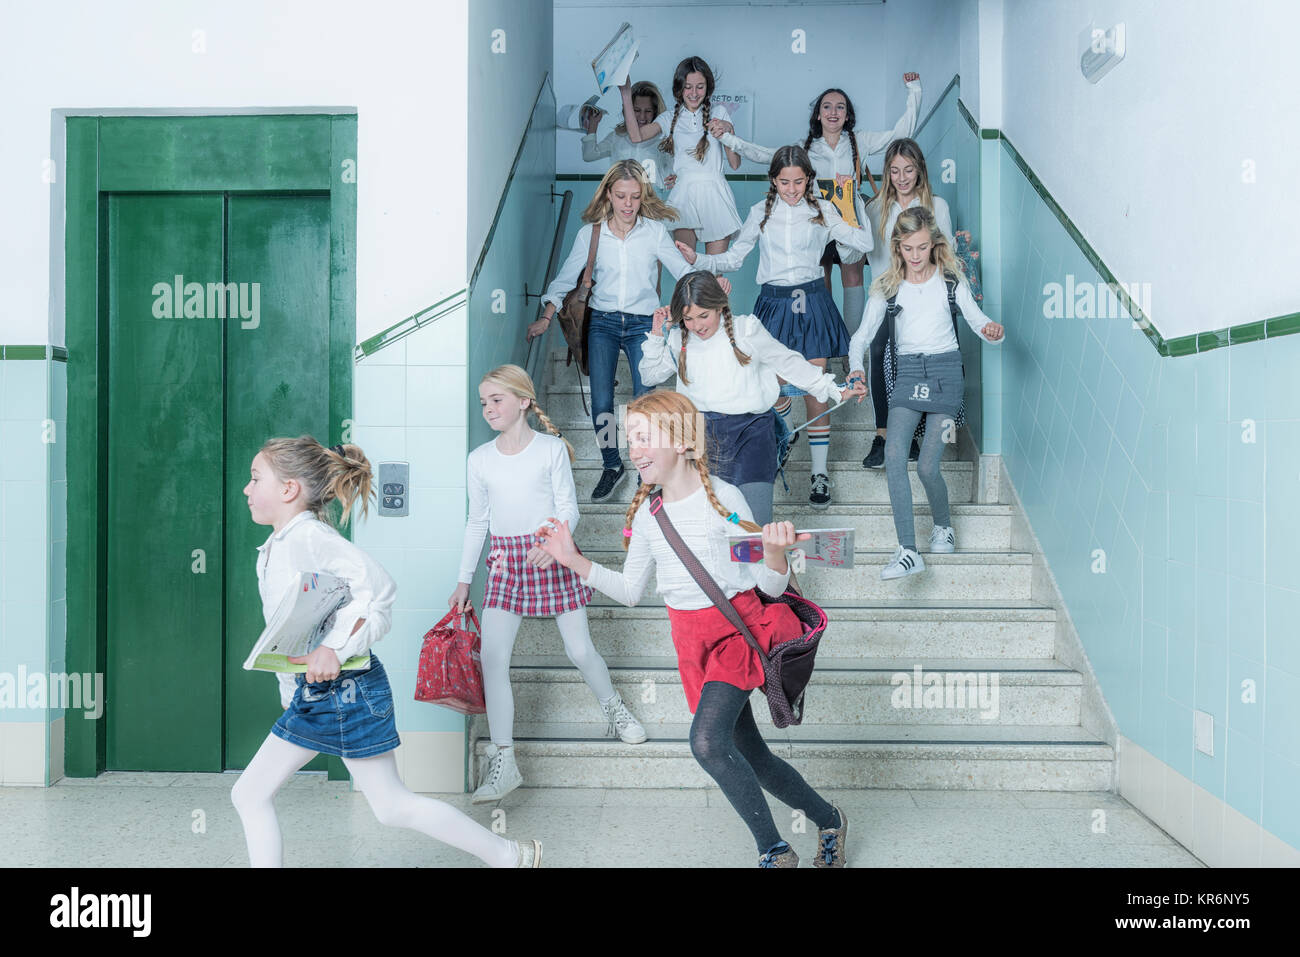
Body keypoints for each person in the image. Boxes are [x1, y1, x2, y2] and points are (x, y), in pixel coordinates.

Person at [535, 389, 849, 868]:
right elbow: (630, 590)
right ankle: (830, 819)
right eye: (629, 438)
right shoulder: (647, 514)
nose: (633, 448)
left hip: (734, 632)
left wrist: (774, 554)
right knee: (753, 756)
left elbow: (766, 587)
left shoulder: (722, 499)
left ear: (682, 441)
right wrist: (572, 560)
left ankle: (774, 852)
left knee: (705, 742)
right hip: (690, 642)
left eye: (643, 437)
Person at [231, 436, 542, 867]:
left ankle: (509, 854)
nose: (246, 489)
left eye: (254, 478)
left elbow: (378, 591)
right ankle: (510, 855)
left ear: (288, 489)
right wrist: (297, 688)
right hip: (329, 694)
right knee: (390, 805)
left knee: (251, 793)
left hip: (343, 692)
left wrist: (334, 649)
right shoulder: (279, 545)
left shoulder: (309, 537)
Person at [450, 365, 646, 804]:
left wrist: (555, 541)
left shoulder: (551, 449)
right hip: (504, 563)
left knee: (579, 650)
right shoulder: (479, 460)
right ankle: (505, 761)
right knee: (493, 658)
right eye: (483, 402)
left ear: (523, 401)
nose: (488, 409)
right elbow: (477, 520)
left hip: (551, 553)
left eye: (496, 400)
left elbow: (569, 507)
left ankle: (612, 706)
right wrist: (464, 581)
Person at [682, 145, 873, 509]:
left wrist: (848, 205)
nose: (791, 188)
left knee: (816, 391)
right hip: (773, 303)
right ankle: (784, 435)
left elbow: (865, 243)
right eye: (784, 182)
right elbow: (735, 258)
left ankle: (819, 474)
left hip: (813, 300)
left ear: (808, 180)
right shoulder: (760, 212)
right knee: (775, 390)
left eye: (799, 181)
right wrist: (700, 259)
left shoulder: (822, 209)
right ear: (774, 180)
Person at [714, 73, 923, 360]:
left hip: (848, 215)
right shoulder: (806, 146)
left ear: (847, 114)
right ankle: (822, 340)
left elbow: (901, 134)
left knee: (852, 278)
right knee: (818, 279)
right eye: (827, 106)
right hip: (816, 215)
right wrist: (728, 139)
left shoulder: (859, 141)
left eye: (840, 107)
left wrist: (914, 91)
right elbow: (765, 155)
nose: (833, 112)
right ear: (818, 114)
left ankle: (853, 351)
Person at [846, 207, 1004, 581]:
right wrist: (855, 367)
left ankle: (943, 525)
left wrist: (992, 331)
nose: (915, 256)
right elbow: (861, 338)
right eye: (907, 248)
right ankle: (907, 551)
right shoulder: (887, 287)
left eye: (922, 247)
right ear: (897, 247)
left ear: (934, 245)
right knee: (895, 454)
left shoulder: (951, 282)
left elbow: (977, 321)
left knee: (928, 465)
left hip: (946, 373)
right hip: (909, 373)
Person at [639, 270, 864, 525]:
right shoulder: (680, 337)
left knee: (756, 524)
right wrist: (658, 334)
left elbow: (787, 362)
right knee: (711, 526)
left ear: (719, 306)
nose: (697, 325)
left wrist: (834, 390)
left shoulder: (746, 328)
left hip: (752, 435)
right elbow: (649, 376)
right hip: (700, 436)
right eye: (689, 318)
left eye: (704, 315)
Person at [531, 160, 695, 501]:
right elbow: (564, 280)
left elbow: (683, 273)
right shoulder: (591, 233)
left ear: (642, 196)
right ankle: (611, 464)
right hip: (603, 323)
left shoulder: (654, 232)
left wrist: (704, 292)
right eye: (621, 196)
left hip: (642, 326)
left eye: (635, 197)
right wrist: (546, 316)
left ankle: (646, 471)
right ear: (608, 194)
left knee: (644, 404)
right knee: (602, 401)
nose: (628, 204)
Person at [861, 137, 956, 469]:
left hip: (925, 296)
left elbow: (947, 256)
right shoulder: (875, 208)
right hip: (888, 293)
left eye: (909, 170)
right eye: (895, 170)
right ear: (887, 172)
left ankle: (914, 435)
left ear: (920, 170)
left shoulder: (937, 206)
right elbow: (867, 255)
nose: (902, 177)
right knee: (877, 352)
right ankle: (883, 435)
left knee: (912, 360)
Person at [618, 57, 743, 255]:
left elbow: (735, 164)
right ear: (679, 89)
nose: (694, 93)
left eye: (700, 87)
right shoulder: (668, 119)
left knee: (714, 273)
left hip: (716, 195)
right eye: (688, 87)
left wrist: (729, 131)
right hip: (684, 195)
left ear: (708, 87)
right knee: (686, 272)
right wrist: (626, 93)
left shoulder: (720, 113)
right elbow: (636, 136)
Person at [580, 80, 672, 193]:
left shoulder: (662, 140)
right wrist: (593, 125)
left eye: (648, 111)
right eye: (637, 110)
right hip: (621, 202)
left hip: (651, 203)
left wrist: (676, 178)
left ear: (655, 112)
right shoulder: (617, 137)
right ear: (628, 110)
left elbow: (675, 171)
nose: (642, 116)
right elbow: (589, 155)